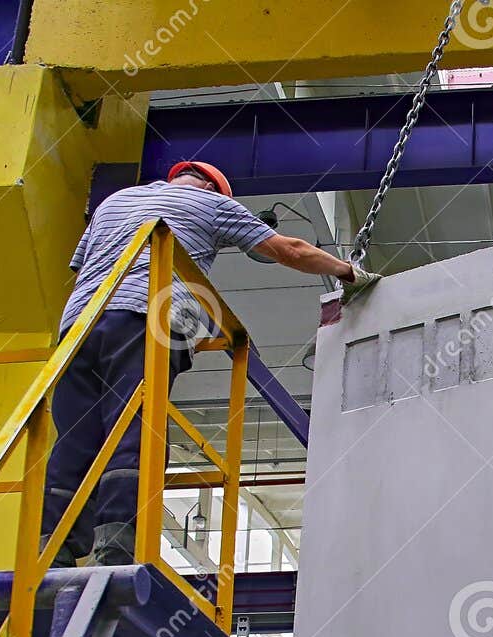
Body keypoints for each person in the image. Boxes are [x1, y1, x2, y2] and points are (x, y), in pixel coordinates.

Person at [42, 160, 377, 567]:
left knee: (75, 438)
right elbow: (288, 250)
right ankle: (116, 543)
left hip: (78, 325)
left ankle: (52, 547)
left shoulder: (115, 201)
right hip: (144, 318)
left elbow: (79, 266)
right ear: (214, 188)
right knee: (134, 429)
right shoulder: (212, 204)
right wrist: (348, 272)